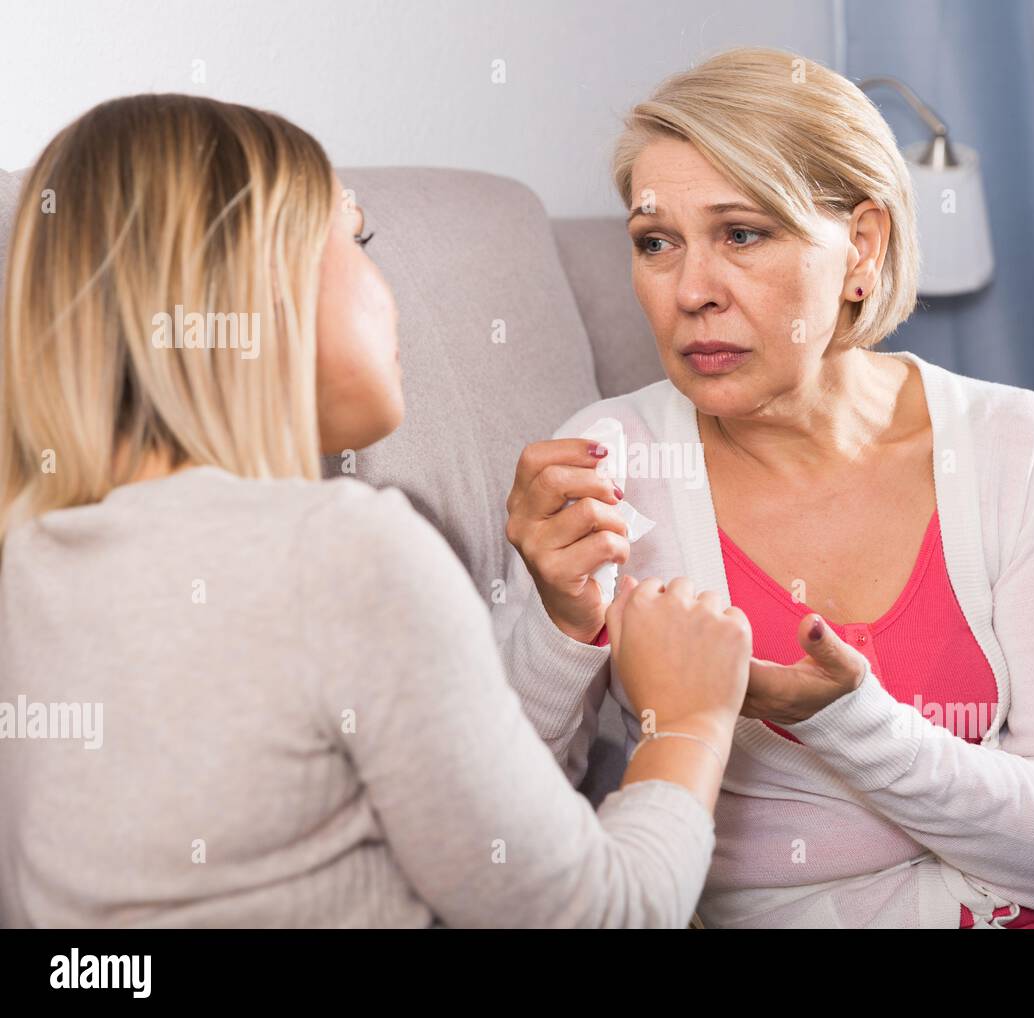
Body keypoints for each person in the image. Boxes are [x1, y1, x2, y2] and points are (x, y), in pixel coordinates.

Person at [495, 46, 1034, 929]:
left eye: (743, 233)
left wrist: (851, 720)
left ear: (861, 249)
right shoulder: (606, 468)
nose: (691, 291)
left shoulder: (1020, 446)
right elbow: (503, 842)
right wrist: (559, 623)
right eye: (656, 243)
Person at [0, 92, 753, 928]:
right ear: (255, 280)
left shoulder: (31, 563)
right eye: (354, 239)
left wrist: (561, 627)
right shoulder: (348, 551)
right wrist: (688, 720)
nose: (389, 289)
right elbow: (601, 913)